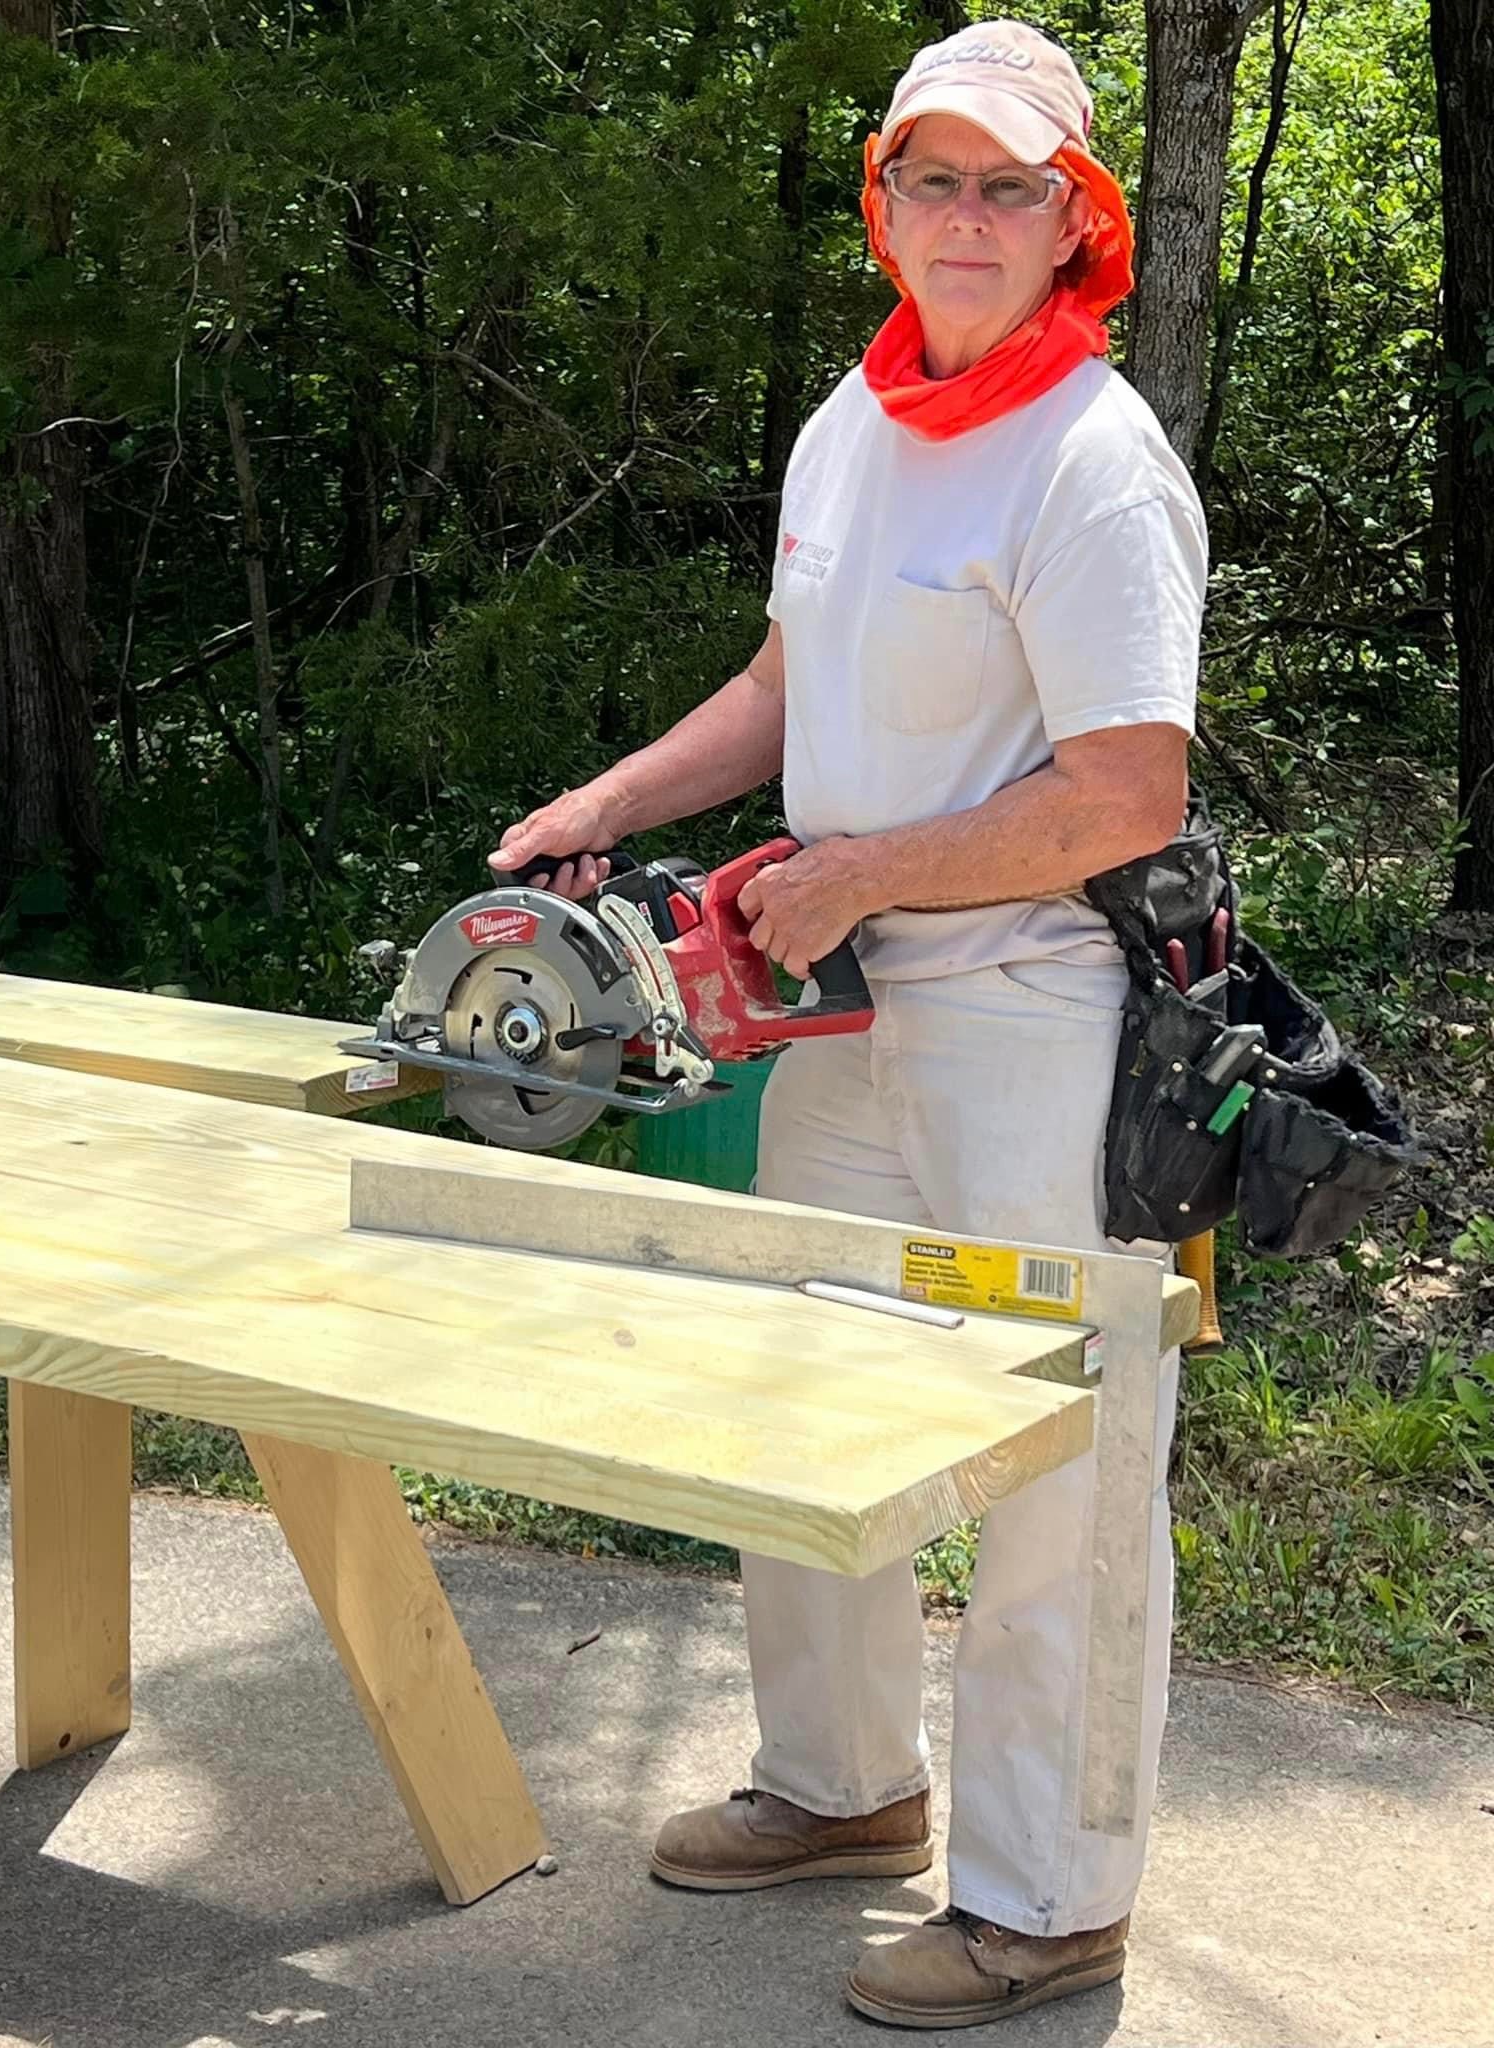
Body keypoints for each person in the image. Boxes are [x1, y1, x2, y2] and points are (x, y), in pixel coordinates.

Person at [490, 19, 1206, 2029]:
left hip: (1033, 1014)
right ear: (882, 205)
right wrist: (622, 799)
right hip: (844, 1003)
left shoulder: (1095, 461)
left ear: (1079, 226)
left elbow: (1127, 792)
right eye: (931, 181)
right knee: (811, 1400)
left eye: (1008, 188)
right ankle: (840, 1784)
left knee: (1056, 1452)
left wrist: (870, 874)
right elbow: (788, 681)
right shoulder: (856, 421)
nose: (965, 219)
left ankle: (1052, 1897)